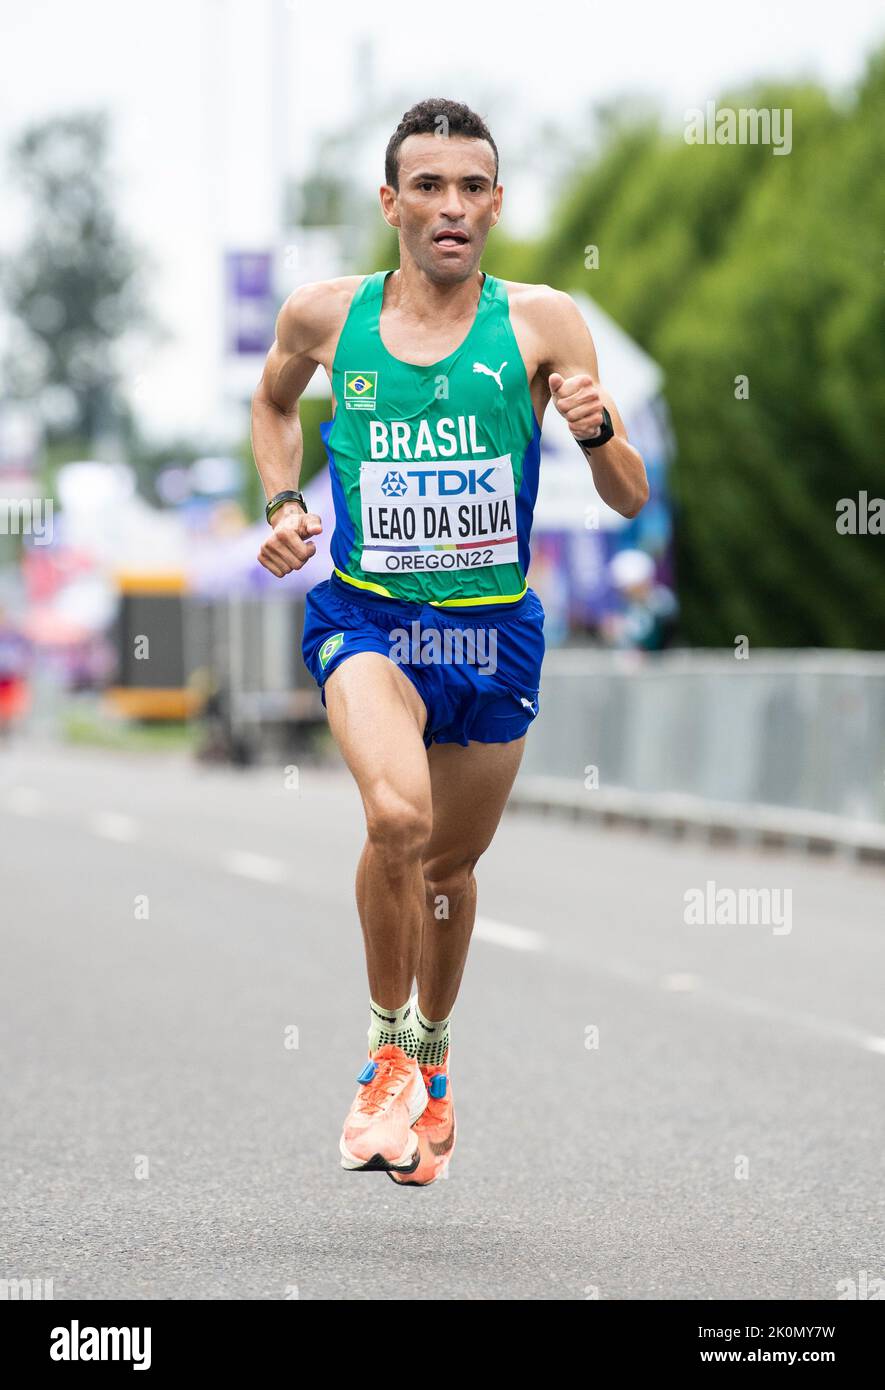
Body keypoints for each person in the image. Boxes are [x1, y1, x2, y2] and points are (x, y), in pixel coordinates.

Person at [252, 99, 648, 1184]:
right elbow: (273, 404)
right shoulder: (327, 317)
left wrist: (598, 430)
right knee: (397, 818)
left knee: (451, 870)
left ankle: (431, 1051)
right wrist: (286, 502)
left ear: (497, 204)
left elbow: (626, 498)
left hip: (491, 636)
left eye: (472, 187)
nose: (451, 206)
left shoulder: (543, 324)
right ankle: (383, 1048)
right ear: (391, 203)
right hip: (370, 616)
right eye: (428, 185)